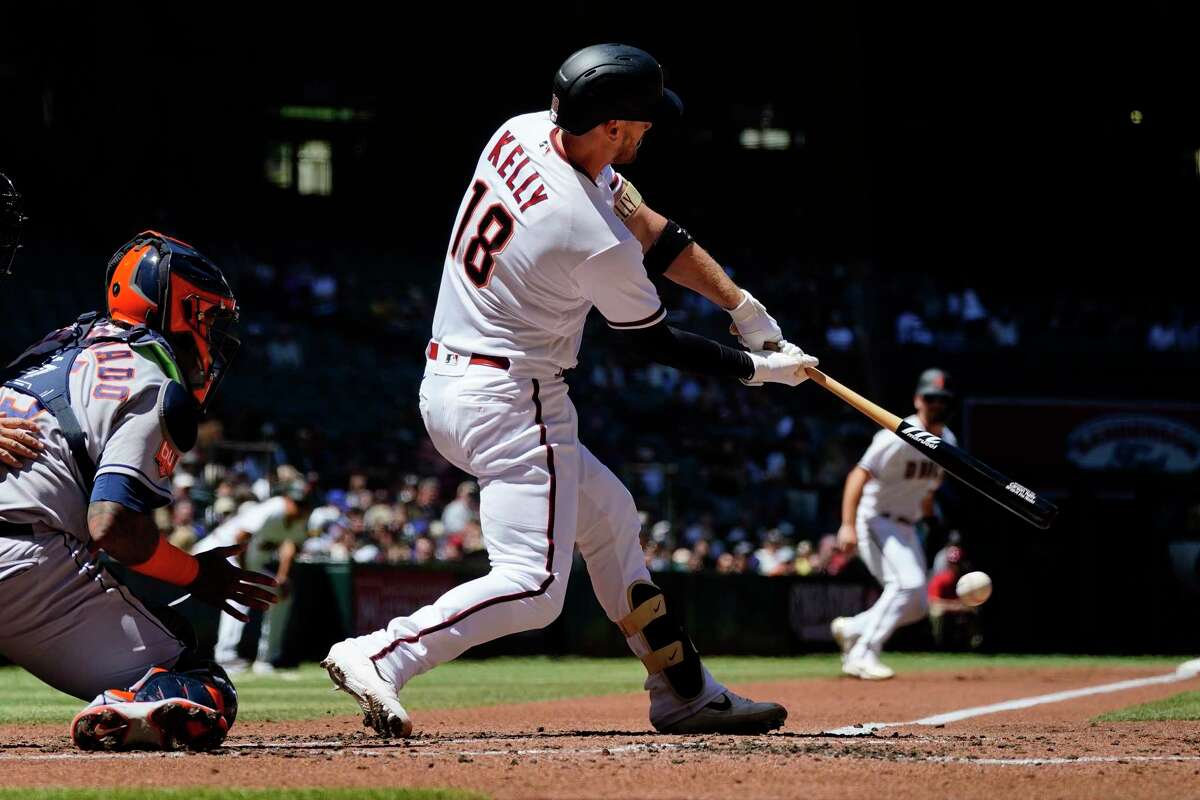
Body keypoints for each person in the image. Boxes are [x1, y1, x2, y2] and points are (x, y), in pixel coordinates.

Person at [322, 43, 816, 738]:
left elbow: (655, 230)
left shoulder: (519, 131)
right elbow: (652, 340)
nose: (648, 131)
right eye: (640, 121)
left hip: (450, 382)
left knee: (610, 515)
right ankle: (381, 652)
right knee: (533, 588)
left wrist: (744, 307)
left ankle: (684, 689)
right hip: (514, 398)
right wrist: (761, 370)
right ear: (610, 126)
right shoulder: (588, 236)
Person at [0, 231, 275, 750]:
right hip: (23, 564)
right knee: (198, 680)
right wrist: (198, 573)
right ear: (175, 307)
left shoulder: (51, 350)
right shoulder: (151, 378)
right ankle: (133, 705)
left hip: (22, 544)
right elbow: (113, 527)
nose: (213, 340)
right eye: (209, 320)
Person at [829, 368, 957, 679]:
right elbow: (858, 474)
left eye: (942, 399)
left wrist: (929, 517)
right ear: (917, 400)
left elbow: (928, 488)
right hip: (876, 519)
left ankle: (853, 629)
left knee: (916, 604)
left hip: (906, 526)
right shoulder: (898, 434)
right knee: (906, 585)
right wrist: (847, 524)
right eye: (930, 398)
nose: (936, 404)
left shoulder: (948, 440)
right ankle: (861, 653)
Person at [192, 481, 313, 673]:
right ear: (287, 499)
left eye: (303, 504)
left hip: (246, 562)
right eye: (296, 502)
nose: (298, 507)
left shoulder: (300, 519)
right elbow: (241, 536)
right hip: (218, 552)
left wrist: (282, 578)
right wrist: (245, 571)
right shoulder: (274, 507)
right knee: (240, 590)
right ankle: (226, 656)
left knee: (282, 595)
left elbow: (289, 549)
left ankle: (267, 659)